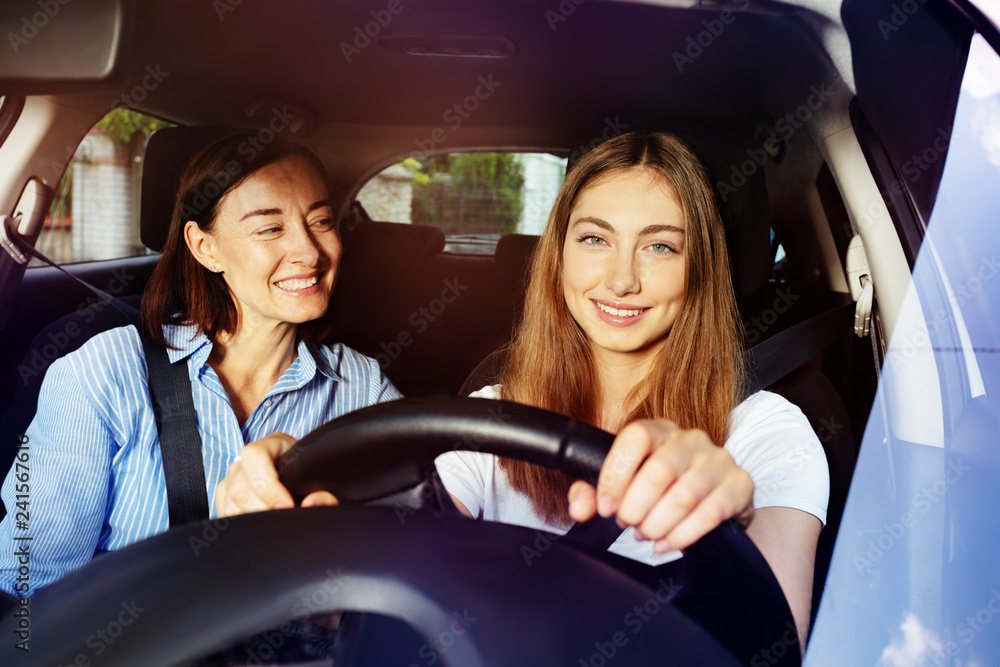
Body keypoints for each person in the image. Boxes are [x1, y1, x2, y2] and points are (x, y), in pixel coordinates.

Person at [215, 131, 829, 647]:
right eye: (594, 239)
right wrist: (292, 515)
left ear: (699, 267)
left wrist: (731, 520)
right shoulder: (487, 420)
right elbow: (377, 599)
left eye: (661, 247)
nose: (621, 278)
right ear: (556, 255)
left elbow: (775, 643)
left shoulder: (767, 432)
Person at [0, 133, 400, 596]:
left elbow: (409, 553)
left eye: (322, 221)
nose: (310, 251)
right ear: (204, 247)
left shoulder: (363, 387)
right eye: (270, 228)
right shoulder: (103, 373)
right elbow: (24, 591)